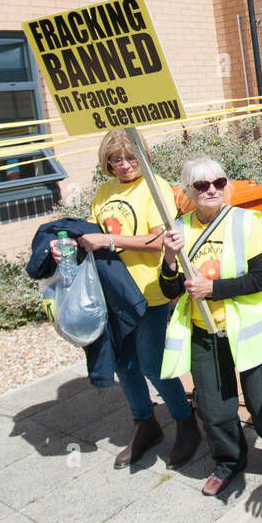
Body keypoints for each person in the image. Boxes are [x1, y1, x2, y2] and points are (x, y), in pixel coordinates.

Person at [159, 157, 262, 496]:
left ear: (227, 185)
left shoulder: (246, 222)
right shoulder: (178, 229)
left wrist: (212, 289)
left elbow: (258, 279)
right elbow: (169, 290)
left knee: (261, 401)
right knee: (213, 407)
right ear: (188, 191)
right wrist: (166, 258)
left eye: (218, 183)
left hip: (249, 330)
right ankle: (228, 461)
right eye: (202, 185)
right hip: (204, 333)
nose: (211, 190)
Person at [74, 131, 200, 469]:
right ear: (107, 162)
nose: (125, 165)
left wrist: (109, 240)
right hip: (113, 289)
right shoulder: (104, 191)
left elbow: (162, 239)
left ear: (142, 156)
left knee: (152, 361)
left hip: (148, 290)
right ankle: (144, 424)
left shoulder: (155, 186)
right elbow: (96, 235)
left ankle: (186, 422)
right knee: (123, 362)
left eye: (131, 158)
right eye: (116, 160)